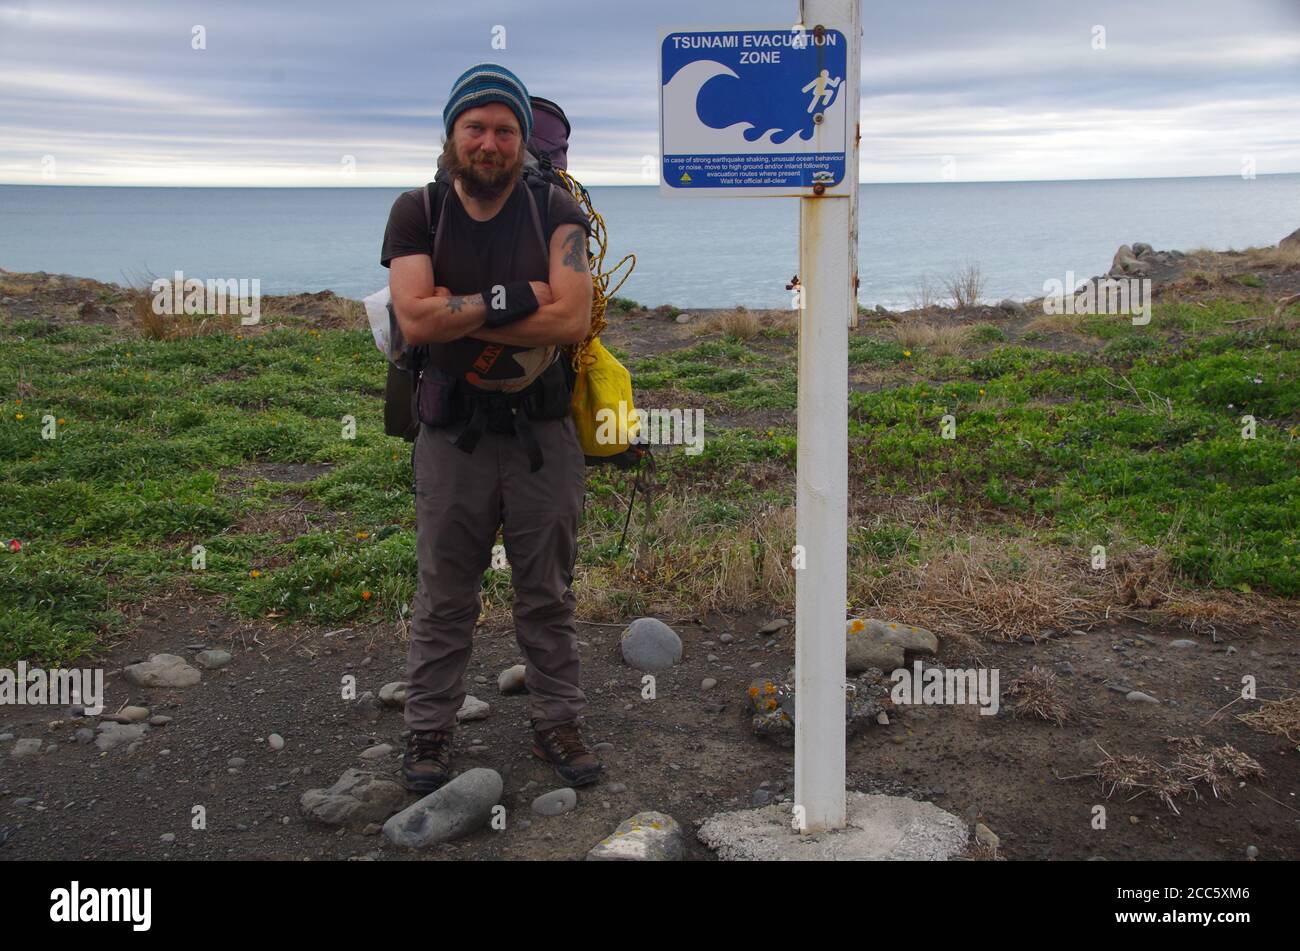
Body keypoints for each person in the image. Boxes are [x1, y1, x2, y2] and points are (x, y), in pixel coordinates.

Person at [380, 64, 601, 792]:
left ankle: (556, 720)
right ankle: (429, 732)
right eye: (474, 126)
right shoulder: (416, 210)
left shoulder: (556, 209)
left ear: (521, 140)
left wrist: (462, 307)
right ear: (451, 134)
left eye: (505, 128)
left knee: (547, 591)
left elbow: (570, 315)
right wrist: (517, 297)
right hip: (451, 436)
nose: (490, 141)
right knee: (446, 592)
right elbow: (413, 317)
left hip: (543, 436)